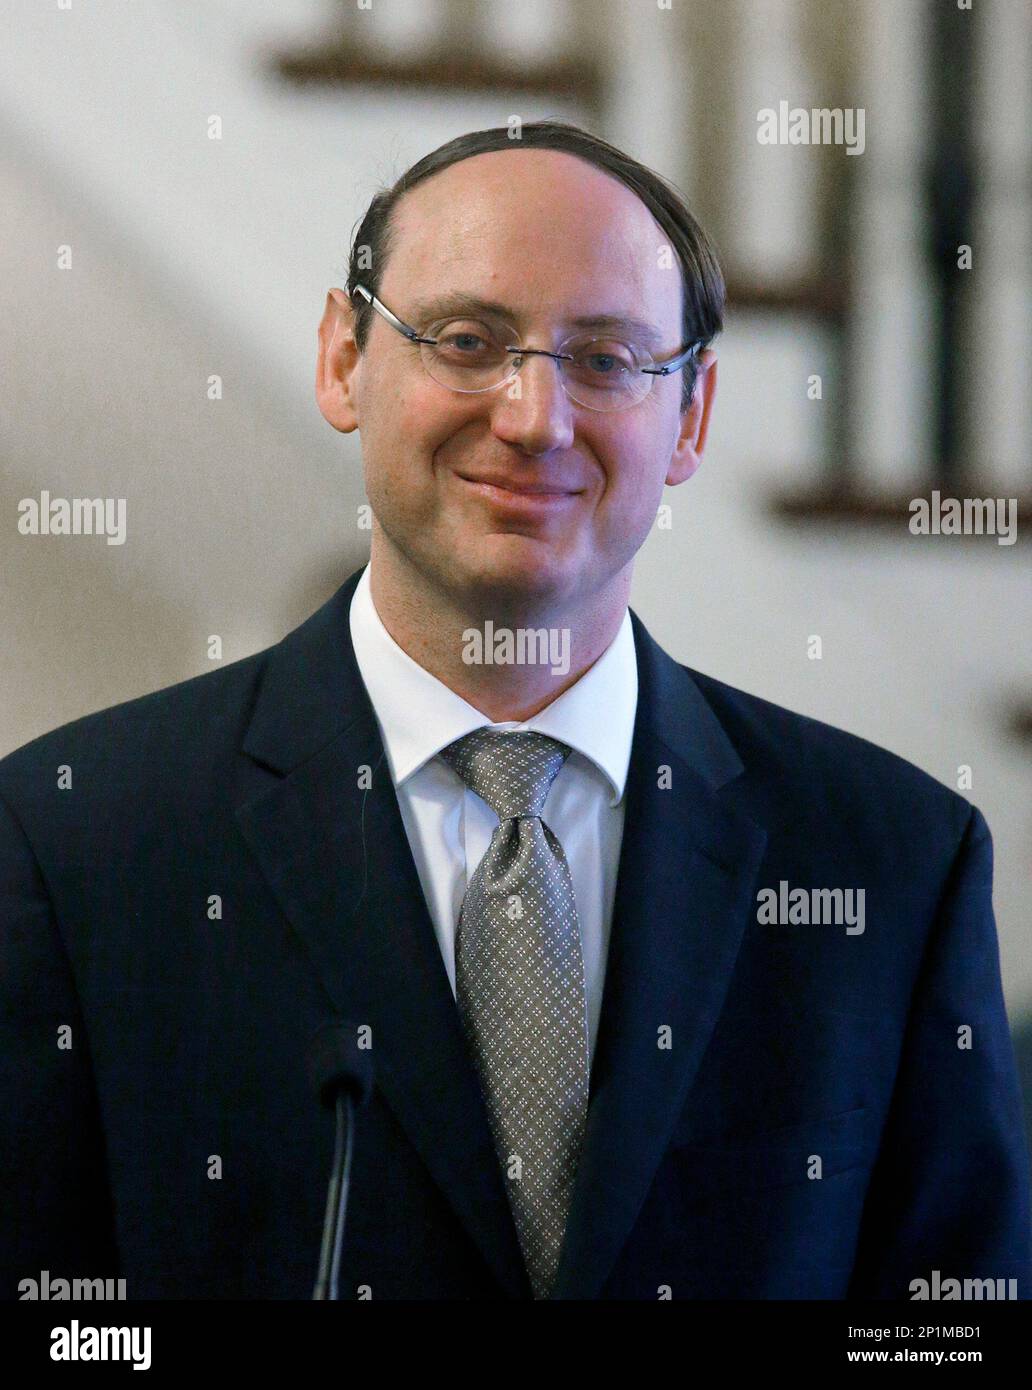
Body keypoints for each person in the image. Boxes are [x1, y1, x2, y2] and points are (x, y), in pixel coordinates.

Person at [1, 121, 1029, 1301]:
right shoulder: (76, 841)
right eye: (467, 339)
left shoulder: (891, 861)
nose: (535, 417)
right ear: (344, 359)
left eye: (605, 361)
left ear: (690, 418)